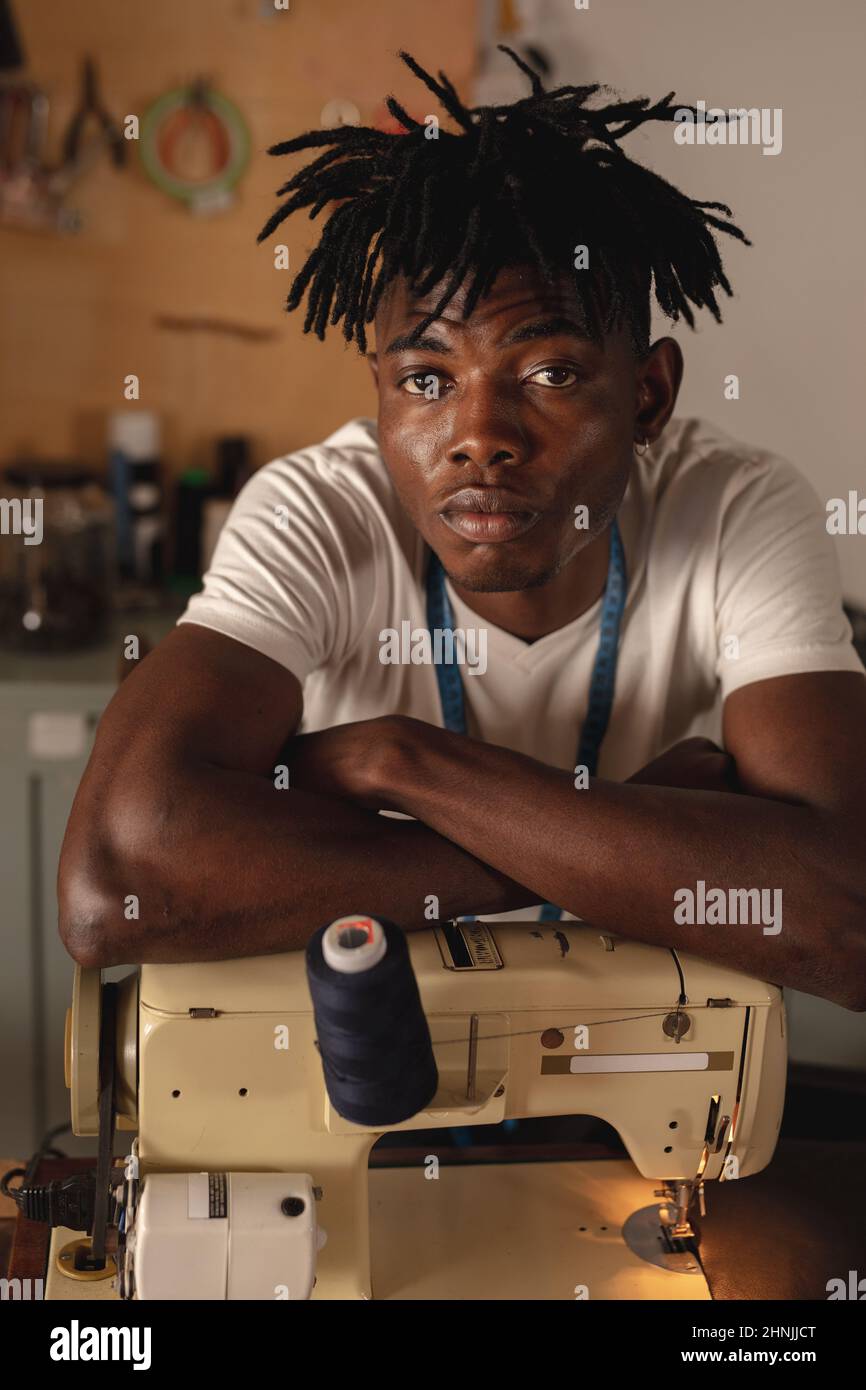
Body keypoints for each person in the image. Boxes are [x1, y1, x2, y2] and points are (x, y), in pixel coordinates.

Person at [59, 49, 866, 1008]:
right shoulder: (315, 509)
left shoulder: (739, 506)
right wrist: (614, 836)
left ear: (649, 396)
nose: (479, 439)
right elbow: (113, 889)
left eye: (551, 375)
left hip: (623, 1075)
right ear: (381, 391)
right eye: (427, 380)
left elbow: (848, 920)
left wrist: (394, 760)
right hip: (354, 1087)